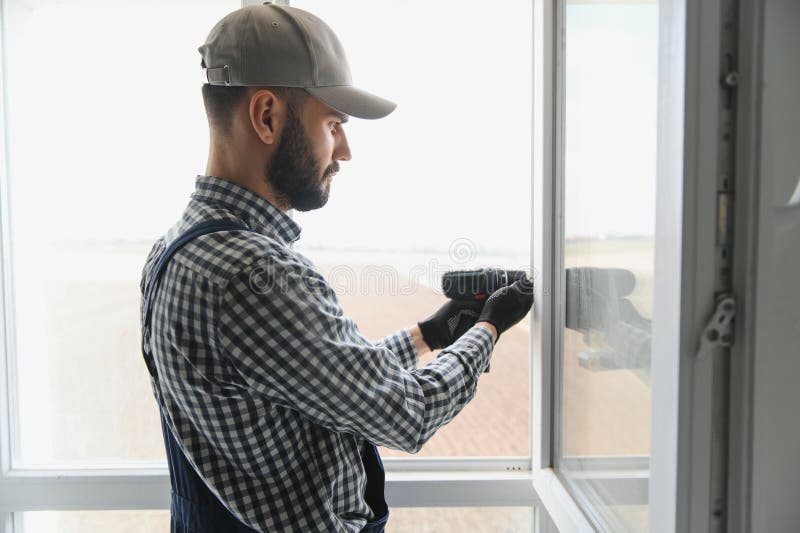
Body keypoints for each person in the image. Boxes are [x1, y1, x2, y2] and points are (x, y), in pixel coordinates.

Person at [140, 3, 534, 532]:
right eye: (333, 124)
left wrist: (431, 334)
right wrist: (490, 326)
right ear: (266, 116)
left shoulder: (175, 251)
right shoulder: (252, 272)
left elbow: (320, 385)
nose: (344, 150)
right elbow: (407, 413)